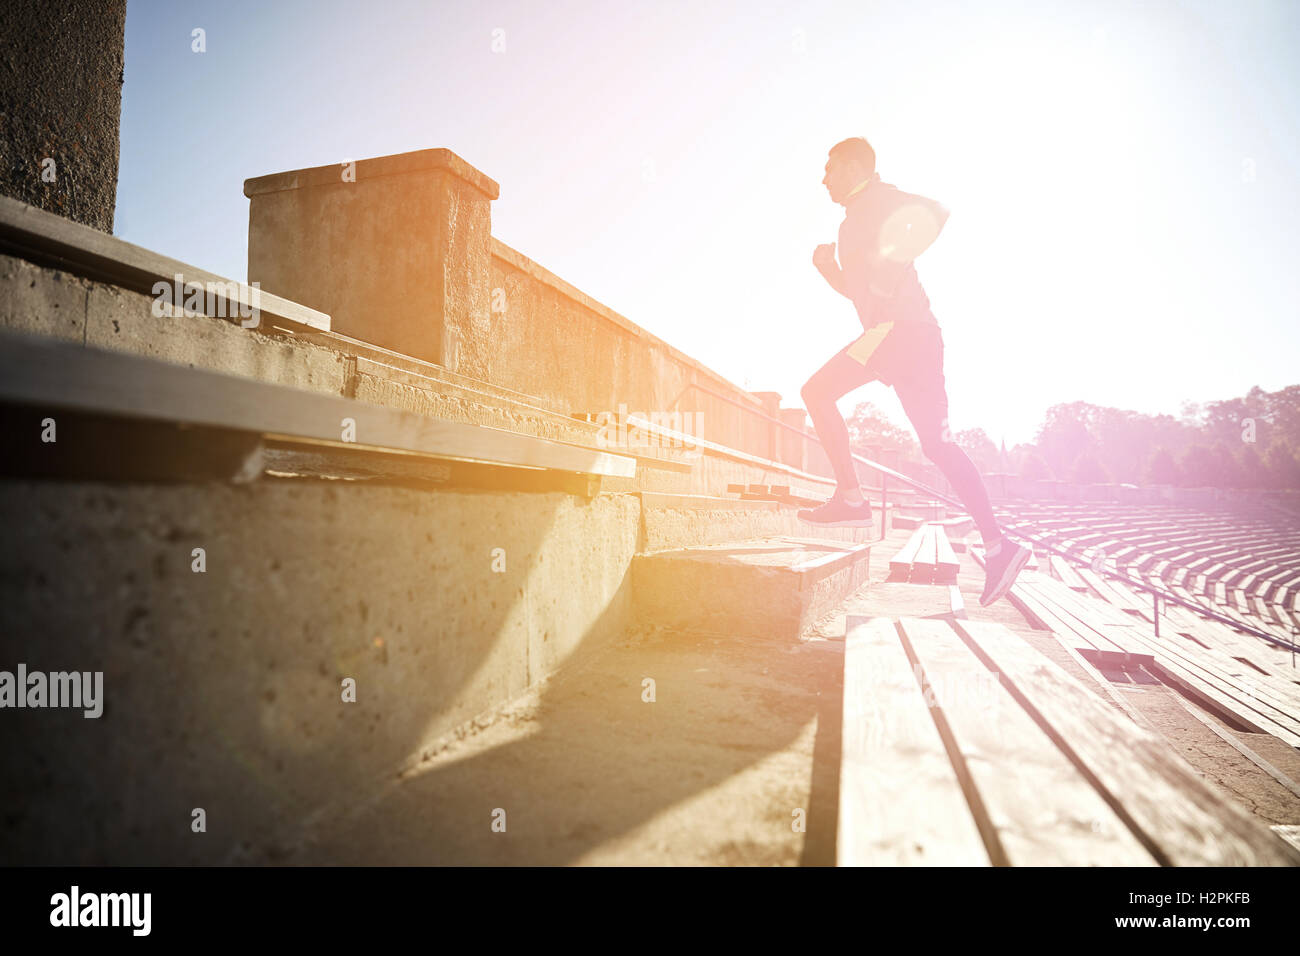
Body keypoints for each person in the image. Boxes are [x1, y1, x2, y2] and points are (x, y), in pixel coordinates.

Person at [798, 136, 1030, 606]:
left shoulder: (880, 198)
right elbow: (864, 293)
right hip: (915, 336)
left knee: (816, 393)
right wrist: (830, 272)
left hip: (897, 332)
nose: (824, 179)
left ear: (856, 166)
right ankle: (999, 545)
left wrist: (897, 255)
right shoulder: (851, 223)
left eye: (831, 168)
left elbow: (938, 212)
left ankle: (852, 500)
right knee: (936, 445)